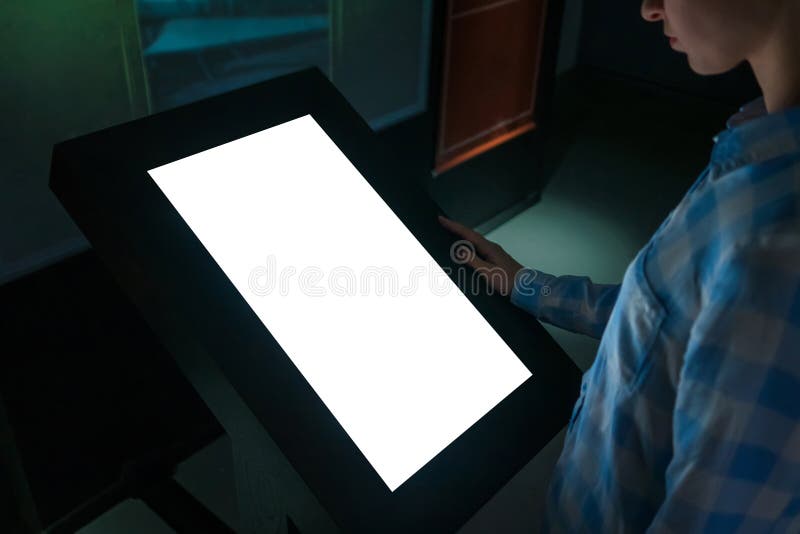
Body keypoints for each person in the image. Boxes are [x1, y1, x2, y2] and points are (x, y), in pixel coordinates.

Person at [439, 0, 800, 530]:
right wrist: (528, 285)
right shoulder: (758, 142)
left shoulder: (773, 243)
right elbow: (677, 323)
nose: (649, 9)